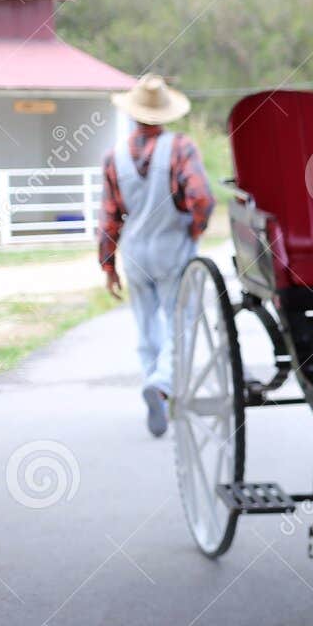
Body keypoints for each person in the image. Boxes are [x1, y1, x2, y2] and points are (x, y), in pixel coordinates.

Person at [99, 74, 214, 437]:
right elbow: (202, 198)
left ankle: (155, 388)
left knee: (147, 326)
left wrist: (108, 265)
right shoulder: (180, 147)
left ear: (133, 113)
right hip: (171, 246)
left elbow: (108, 216)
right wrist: (195, 229)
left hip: (135, 249)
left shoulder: (114, 156)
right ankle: (163, 385)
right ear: (164, 114)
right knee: (180, 320)